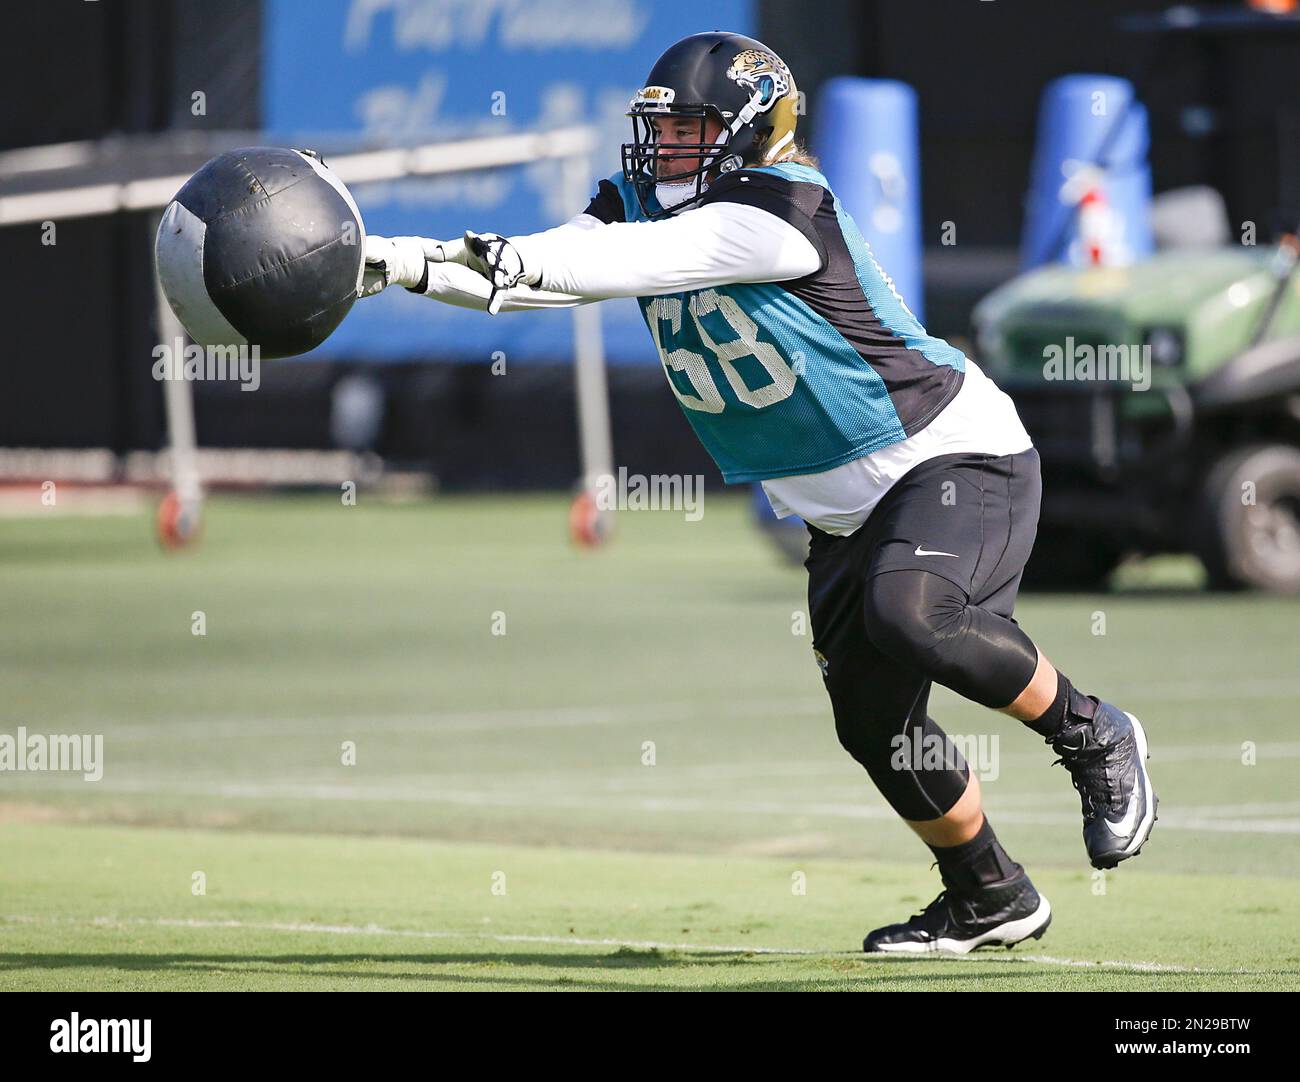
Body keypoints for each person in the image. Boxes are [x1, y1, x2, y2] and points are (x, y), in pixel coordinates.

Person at [359, 30, 1158, 954]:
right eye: (660, 132)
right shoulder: (639, 203)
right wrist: (391, 263)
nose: (665, 153)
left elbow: (604, 267)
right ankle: (989, 894)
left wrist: (439, 254)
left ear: (748, 131)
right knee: (873, 725)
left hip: (949, 453)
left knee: (913, 613)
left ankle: (1096, 734)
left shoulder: (780, 204)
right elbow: (545, 273)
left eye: (691, 131)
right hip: (841, 506)